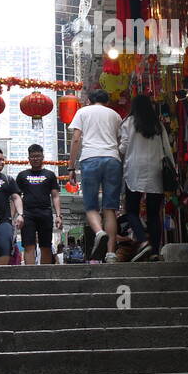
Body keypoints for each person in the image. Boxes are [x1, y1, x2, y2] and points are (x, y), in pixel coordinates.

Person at [68, 88, 123, 263]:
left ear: (90, 100)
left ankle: (99, 233)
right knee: (110, 208)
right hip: (113, 160)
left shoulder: (83, 112)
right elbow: (120, 141)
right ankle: (111, 253)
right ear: (107, 101)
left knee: (91, 206)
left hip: (90, 159)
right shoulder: (115, 115)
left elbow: (76, 139)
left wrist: (71, 167)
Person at [118, 94, 172, 261]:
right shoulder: (158, 125)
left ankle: (142, 240)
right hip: (156, 170)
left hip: (135, 170)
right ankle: (155, 251)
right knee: (154, 213)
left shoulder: (128, 123)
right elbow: (167, 149)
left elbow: (124, 148)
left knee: (132, 210)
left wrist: (116, 147)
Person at [16, 144, 62, 264]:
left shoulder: (50, 175)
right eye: (32, 156)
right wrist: (16, 215)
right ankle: (30, 276)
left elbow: (55, 196)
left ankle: (44, 276)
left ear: (43, 157)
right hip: (27, 214)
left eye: (38, 156)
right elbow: (16, 198)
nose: (35, 159)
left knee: (46, 246)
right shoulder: (22, 176)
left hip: (45, 213)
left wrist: (58, 216)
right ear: (29, 158)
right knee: (28, 245)